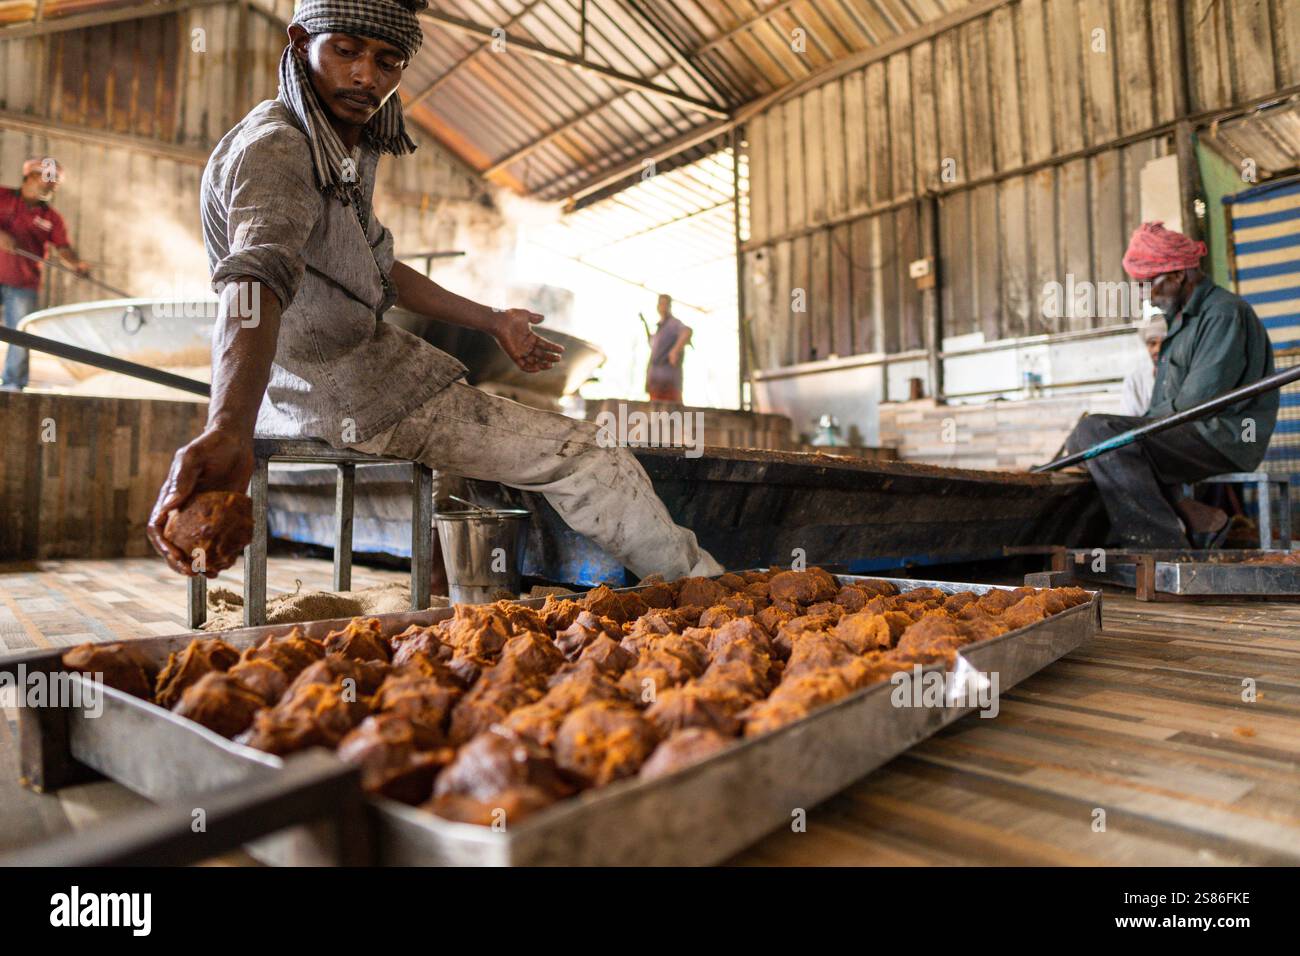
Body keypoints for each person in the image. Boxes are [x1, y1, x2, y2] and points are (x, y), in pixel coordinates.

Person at [147, 0, 721, 585]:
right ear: (299, 41)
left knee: (464, 472)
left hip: (311, 391)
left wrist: (493, 320)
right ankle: (704, 588)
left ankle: (447, 603)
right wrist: (226, 428)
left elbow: (381, 269)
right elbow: (253, 283)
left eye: (388, 61)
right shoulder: (280, 147)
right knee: (590, 455)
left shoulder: (332, 145)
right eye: (345, 51)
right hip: (350, 394)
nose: (367, 77)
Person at [1064, 222, 1277, 548]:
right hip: (1192, 430)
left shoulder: (1223, 314)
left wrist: (1126, 431)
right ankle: (1194, 517)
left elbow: (1195, 403)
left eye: (1149, 284)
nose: (1147, 296)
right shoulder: (1181, 322)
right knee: (1087, 440)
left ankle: (1162, 548)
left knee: (1095, 433)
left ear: (1178, 275)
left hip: (1222, 436)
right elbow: (1162, 408)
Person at [0, 158, 92, 390]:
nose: (50, 185)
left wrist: (76, 264)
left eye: (54, 182)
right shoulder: (2, 196)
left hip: (23, 284)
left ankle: (12, 386)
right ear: (29, 176)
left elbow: (63, 248)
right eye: (46, 178)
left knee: (19, 336)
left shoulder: (53, 218)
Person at [645, 293, 692, 403]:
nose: (663, 306)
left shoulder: (673, 324)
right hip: (655, 384)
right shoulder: (659, 329)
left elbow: (687, 331)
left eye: (666, 304)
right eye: (661, 303)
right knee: (656, 417)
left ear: (670, 306)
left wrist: (675, 351)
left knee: (673, 416)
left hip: (669, 384)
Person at [1118, 313, 1166, 416]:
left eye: (1164, 343)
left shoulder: (1184, 375)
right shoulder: (1135, 380)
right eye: (1152, 343)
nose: (1157, 349)